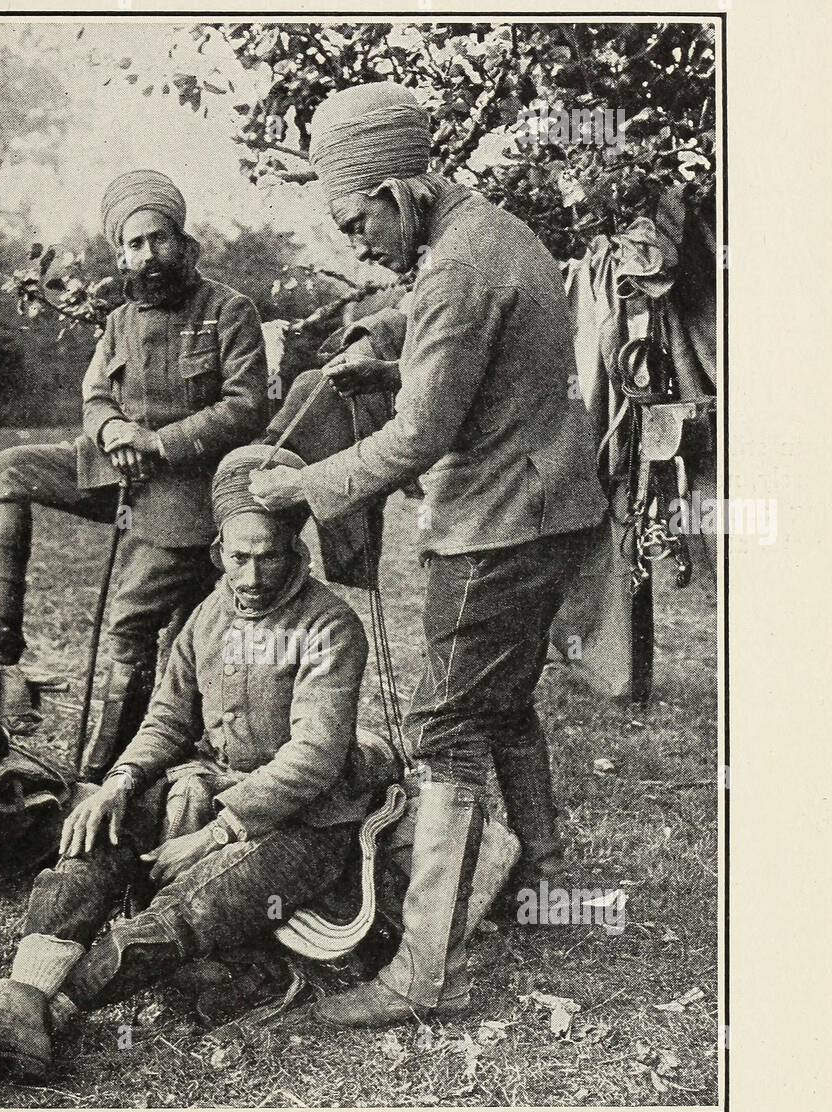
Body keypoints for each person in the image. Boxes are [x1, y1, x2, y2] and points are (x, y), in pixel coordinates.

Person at [250, 82, 608, 1028]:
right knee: (505, 703)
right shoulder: (493, 230)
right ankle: (539, 874)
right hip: (551, 505)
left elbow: (416, 439)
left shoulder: (455, 266)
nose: (358, 243)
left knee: (449, 727)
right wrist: (385, 349)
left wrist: (307, 486)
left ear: (401, 190)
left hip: (495, 527)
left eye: (357, 220)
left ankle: (418, 972)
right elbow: (449, 335)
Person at [0, 446, 396, 1079]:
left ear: (297, 549)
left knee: (195, 903)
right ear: (217, 548)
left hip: (308, 821)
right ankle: (25, 996)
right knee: (95, 834)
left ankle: (45, 1014)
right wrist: (118, 783)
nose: (250, 576)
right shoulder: (207, 616)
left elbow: (314, 757)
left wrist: (216, 833)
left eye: (268, 556)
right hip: (212, 785)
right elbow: (167, 719)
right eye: (238, 556)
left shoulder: (329, 624)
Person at [0, 170, 269, 779]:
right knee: (12, 469)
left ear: (185, 243)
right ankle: (0, 621)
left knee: (133, 621)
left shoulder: (228, 312)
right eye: (134, 245)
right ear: (120, 254)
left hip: (186, 483)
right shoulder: (119, 319)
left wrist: (156, 443)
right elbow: (96, 395)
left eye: (159, 239)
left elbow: (244, 407)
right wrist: (111, 432)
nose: (148, 255)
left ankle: (107, 769)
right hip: (115, 466)